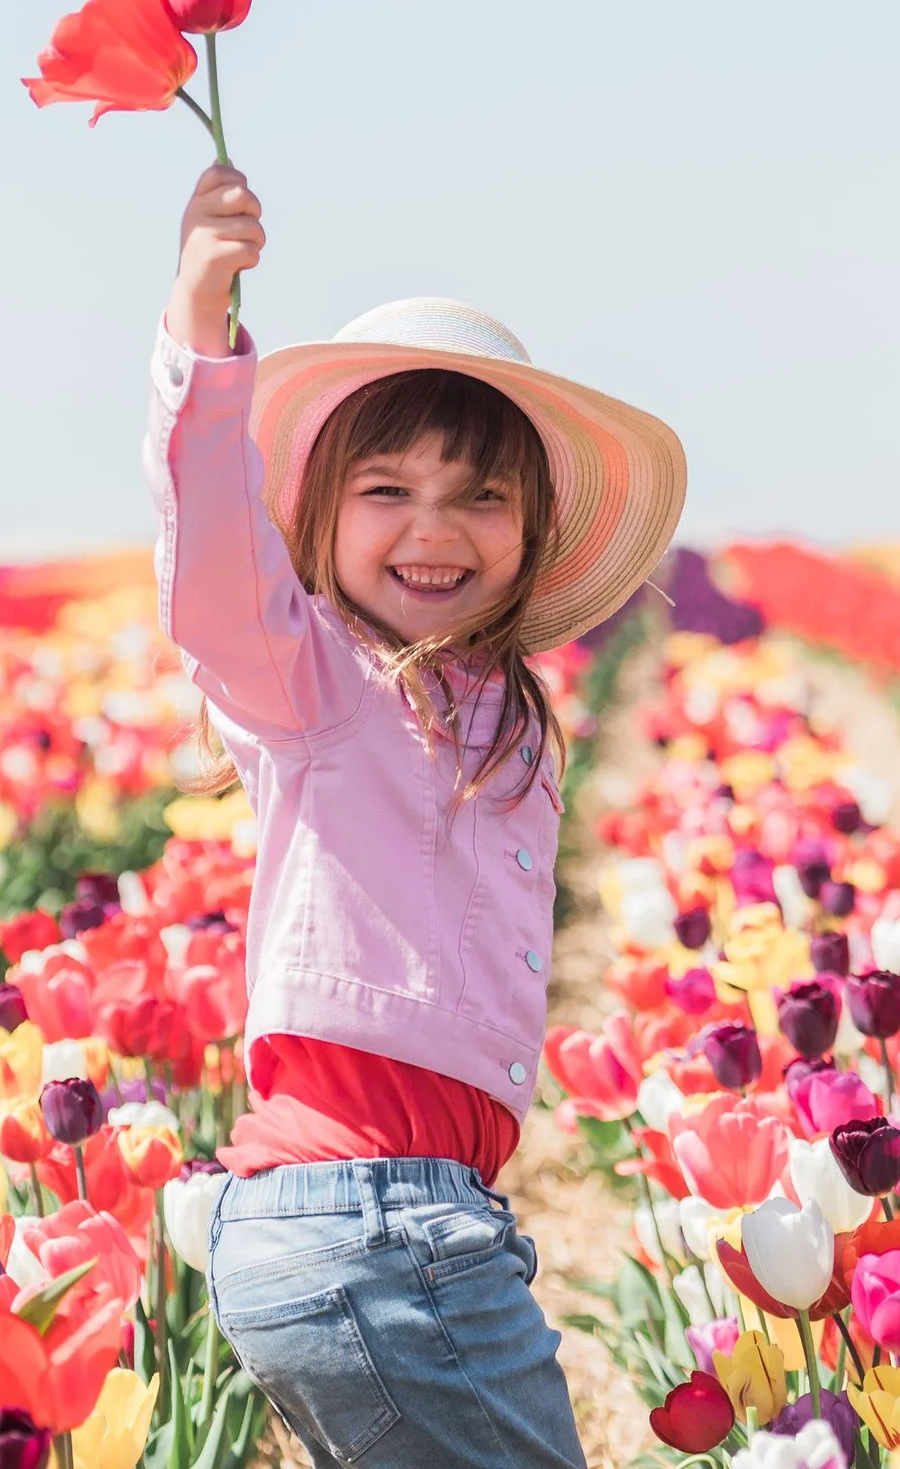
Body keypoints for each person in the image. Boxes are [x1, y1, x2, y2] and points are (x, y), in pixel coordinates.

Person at [145, 163, 685, 1465]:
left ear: (535, 527)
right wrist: (202, 334)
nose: (433, 529)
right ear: (317, 518)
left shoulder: (500, 709)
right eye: (387, 489)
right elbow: (212, 563)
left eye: (481, 496)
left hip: (410, 1225)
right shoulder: (311, 682)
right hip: (366, 1224)